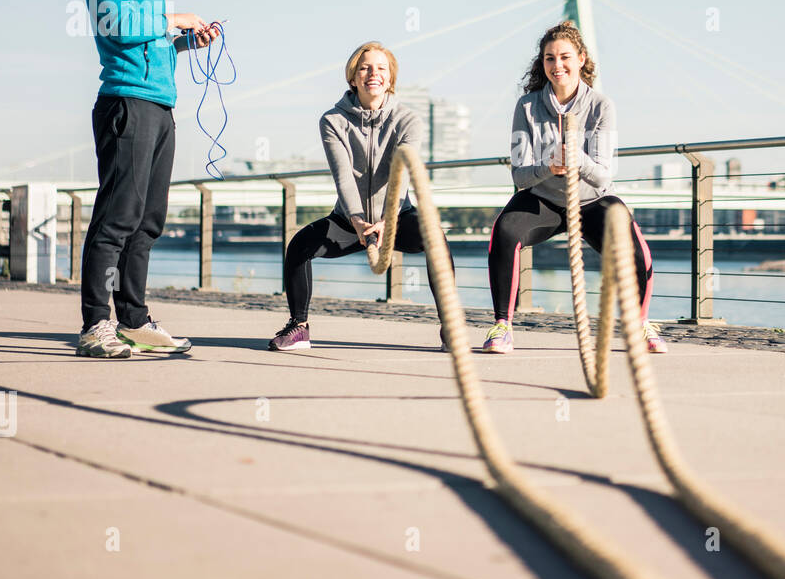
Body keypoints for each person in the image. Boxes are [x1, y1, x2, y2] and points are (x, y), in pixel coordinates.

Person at [77, 0, 220, 358]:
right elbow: (113, 24)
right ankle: (96, 325)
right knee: (117, 217)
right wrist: (172, 18)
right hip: (126, 103)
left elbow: (148, 39)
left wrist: (185, 43)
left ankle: (133, 320)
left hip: (160, 106)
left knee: (148, 221)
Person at [481, 21, 666, 355]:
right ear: (543, 64)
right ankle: (502, 326)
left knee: (632, 240)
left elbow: (603, 178)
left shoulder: (601, 106)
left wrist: (577, 158)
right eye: (549, 58)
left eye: (565, 57)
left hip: (591, 201)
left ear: (581, 59)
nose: (557, 65)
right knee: (505, 230)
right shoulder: (526, 106)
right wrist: (548, 167)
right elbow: (520, 177)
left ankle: (639, 324)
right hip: (543, 200)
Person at [269, 42, 451, 351]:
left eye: (381, 68)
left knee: (434, 235)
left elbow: (401, 175)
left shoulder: (408, 121)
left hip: (396, 217)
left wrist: (385, 221)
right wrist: (357, 220)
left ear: (390, 78)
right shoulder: (333, 121)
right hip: (349, 219)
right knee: (299, 246)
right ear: (353, 77)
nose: (373, 74)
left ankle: (450, 325)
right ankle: (299, 327)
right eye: (365, 68)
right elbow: (343, 176)